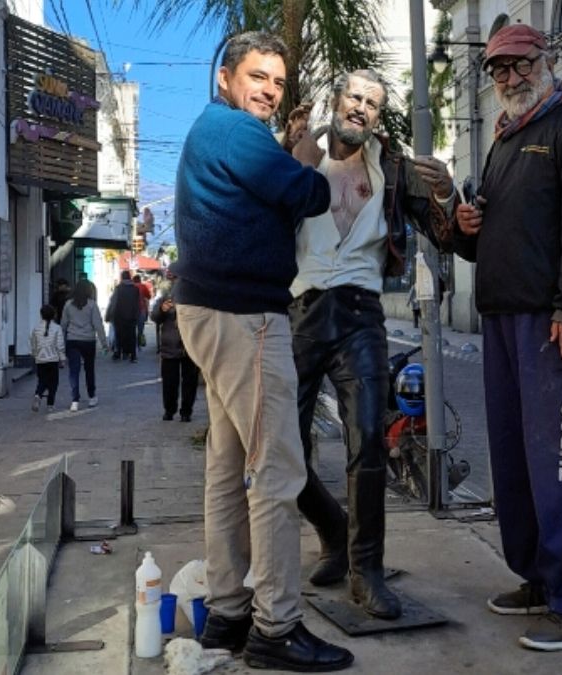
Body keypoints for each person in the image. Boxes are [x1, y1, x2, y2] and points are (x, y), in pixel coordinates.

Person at [172, 31, 352, 671]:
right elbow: (309, 194)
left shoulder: (218, 132)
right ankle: (276, 627)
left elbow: (262, 186)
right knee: (276, 471)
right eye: (257, 77)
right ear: (226, 77)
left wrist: (285, 152)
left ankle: (227, 615)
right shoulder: (236, 133)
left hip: (212, 312)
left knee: (226, 469)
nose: (269, 91)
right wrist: (304, 156)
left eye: (277, 81)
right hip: (245, 319)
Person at [451, 24, 562, 652]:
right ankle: (542, 578)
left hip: (556, 327)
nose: (509, 78)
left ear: (545, 61)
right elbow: (489, 240)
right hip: (502, 323)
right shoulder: (502, 144)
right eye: (498, 70)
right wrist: (466, 227)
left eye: (519, 65)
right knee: (518, 464)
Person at [280, 69, 455, 620]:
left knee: (368, 445)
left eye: (373, 103)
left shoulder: (394, 169)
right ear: (335, 102)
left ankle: (367, 572)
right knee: (282, 446)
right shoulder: (299, 156)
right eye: (353, 97)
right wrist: (286, 151)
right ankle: (333, 532)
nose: (361, 108)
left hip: (361, 315)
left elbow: (448, 233)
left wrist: (448, 192)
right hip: (302, 312)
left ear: (379, 115)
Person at [151, 271, 198, 422]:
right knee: (169, 382)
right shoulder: (165, 297)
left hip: (190, 345)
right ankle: (169, 410)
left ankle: (186, 411)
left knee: (189, 381)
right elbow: (154, 317)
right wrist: (162, 310)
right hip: (170, 345)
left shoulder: (194, 298)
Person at [61, 279, 108, 412]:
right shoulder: (92, 305)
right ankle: (92, 396)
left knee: (74, 371)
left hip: (72, 340)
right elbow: (98, 324)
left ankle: (74, 400)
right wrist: (104, 343)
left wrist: (60, 341)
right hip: (88, 340)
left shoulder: (68, 304)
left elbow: (63, 324)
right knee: (89, 369)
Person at [30, 304, 65, 412]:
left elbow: (33, 344)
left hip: (40, 360)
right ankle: (50, 405)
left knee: (42, 381)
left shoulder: (36, 329)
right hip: (53, 360)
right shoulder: (57, 328)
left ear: (41, 315)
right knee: (53, 383)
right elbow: (60, 345)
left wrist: (35, 355)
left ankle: (38, 395)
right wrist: (62, 359)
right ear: (54, 315)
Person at [106, 271, 141, 362]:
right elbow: (137, 304)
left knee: (119, 335)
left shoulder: (118, 288)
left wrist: (109, 314)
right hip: (132, 316)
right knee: (131, 336)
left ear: (122, 278)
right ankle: (132, 355)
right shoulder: (135, 289)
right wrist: (137, 315)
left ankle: (118, 353)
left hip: (119, 316)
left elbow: (113, 302)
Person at [134, 273, 153, 349]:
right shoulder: (143, 286)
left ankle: (133, 344)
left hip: (132, 311)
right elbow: (149, 296)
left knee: (132, 328)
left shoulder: (131, 287)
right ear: (140, 280)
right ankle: (139, 345)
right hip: (141, 310)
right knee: (140, 329)